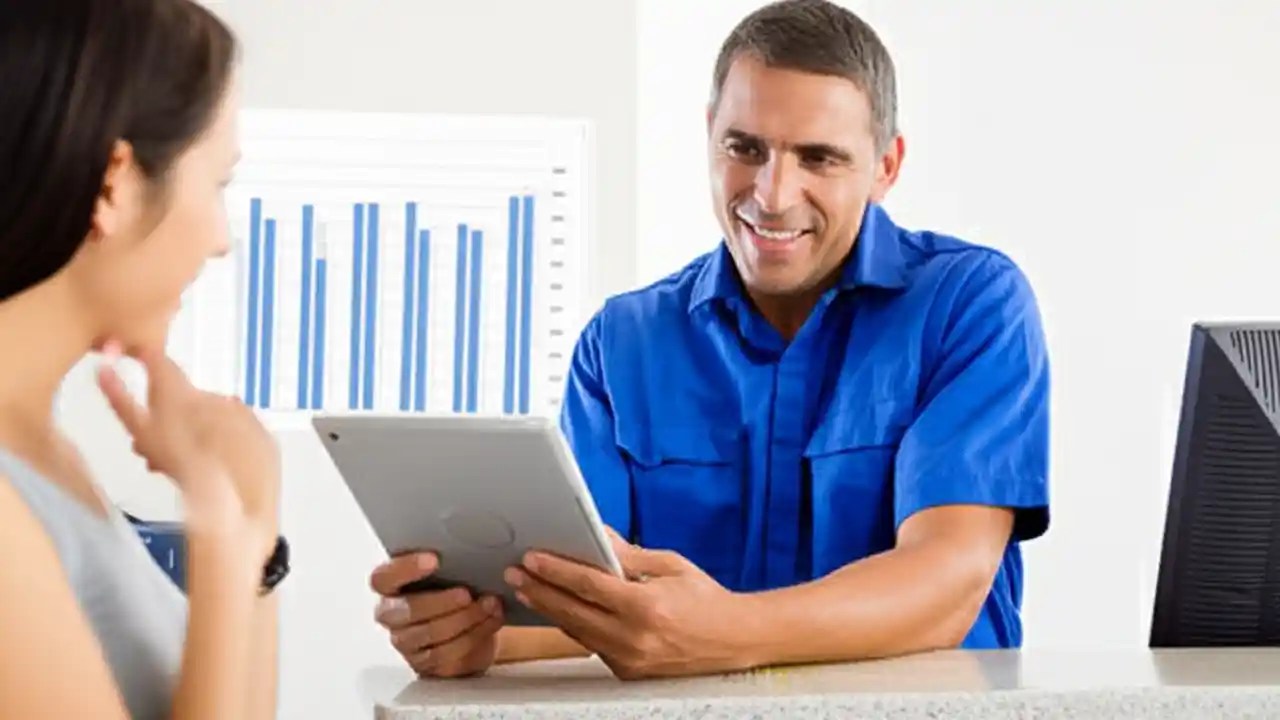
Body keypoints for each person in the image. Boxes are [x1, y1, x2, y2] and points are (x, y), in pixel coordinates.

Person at [371, 0, 1050, 680]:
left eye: (819, 157)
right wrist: (476, 635)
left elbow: (947, 586)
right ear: (708, 134)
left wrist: (729, 631)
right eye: (744, 148)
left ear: (886, 166)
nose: (773, 193)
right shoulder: (621, 343)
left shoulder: (970, 304)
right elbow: (581, 602)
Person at [0, 1, 285, 718]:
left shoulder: (45, 452)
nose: (223, 239)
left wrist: (252, 523)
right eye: (217, 186)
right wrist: (221, 544)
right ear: (113, 185)